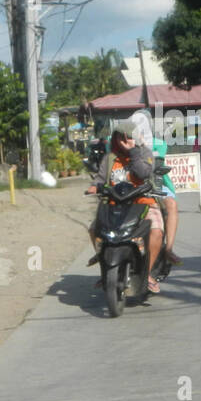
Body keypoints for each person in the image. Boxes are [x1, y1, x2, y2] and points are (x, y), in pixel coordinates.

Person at [85, 122, 165, 292]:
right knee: (94, 230)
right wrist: (94, 186)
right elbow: (100, 178)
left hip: (143, 202)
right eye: (120, 137)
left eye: (127, 136)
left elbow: (143, 173)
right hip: (114, 204)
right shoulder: (110, 158)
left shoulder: (145, 153)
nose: (123, 141)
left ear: (134, 137)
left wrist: (133, 151)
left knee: (157, 231)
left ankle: (148, 274)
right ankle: (105, 268)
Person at [127, 110, 183, 266]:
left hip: (156, 182)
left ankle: (169, 249)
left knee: (171, 204)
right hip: (131, 185)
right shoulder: (123, 142)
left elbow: (155, 165)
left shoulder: (160, 144)